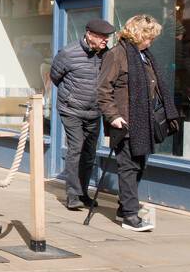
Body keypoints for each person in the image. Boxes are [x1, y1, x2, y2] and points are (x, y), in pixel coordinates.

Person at [97, 14, 179, 232]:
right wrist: (113, 116)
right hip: (124, 121)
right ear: (138, 34)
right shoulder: (117, 55)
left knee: (139, 165)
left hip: (143, 121)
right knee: (128, 166)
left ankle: (125, 208)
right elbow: (103, 89)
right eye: (149, 37)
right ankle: (130, 216)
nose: (151, 42)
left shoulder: (144, 56)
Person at [50, 18, 116, 210]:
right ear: (89, 35)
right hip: (71, 109)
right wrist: (71, 97)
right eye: (102, 36)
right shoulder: (68, 53)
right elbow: (55, 76)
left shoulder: (107, 55)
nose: (106, 40)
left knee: (89, 153)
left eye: (107, 37)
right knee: (76, 148)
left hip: (94, 111)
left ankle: (83, 193)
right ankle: (72, 195)